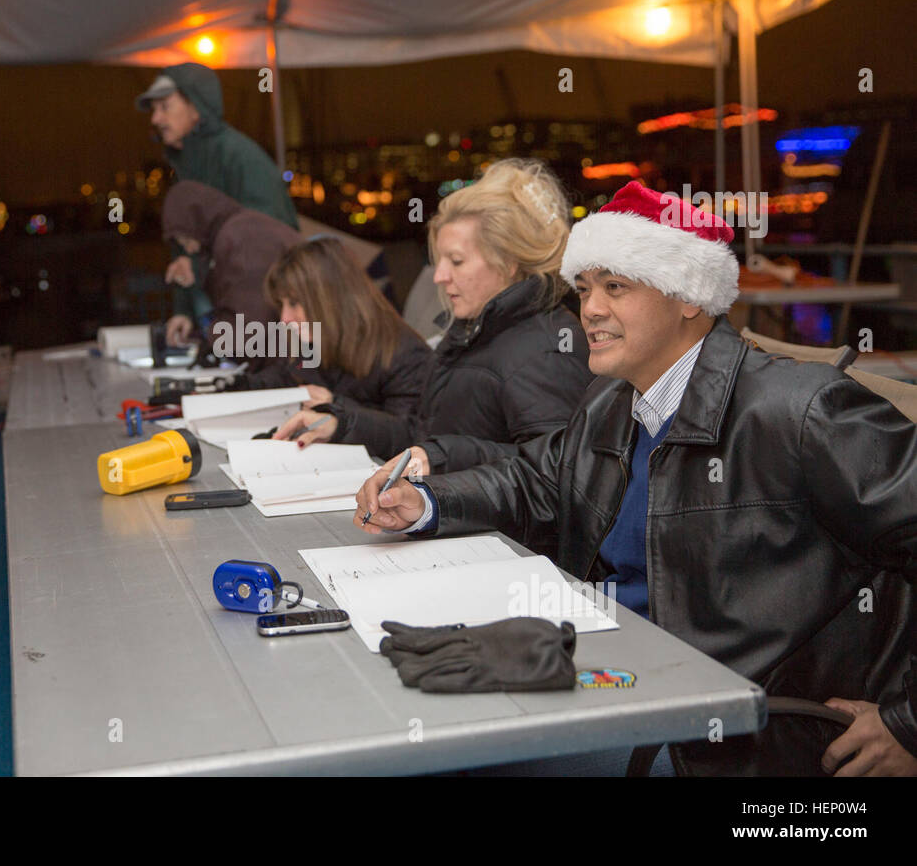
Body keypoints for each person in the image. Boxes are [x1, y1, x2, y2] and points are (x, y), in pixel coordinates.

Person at [355, 180, 917, 777]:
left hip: (720, 735)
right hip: (612, 677)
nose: (589, 309)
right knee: (401, 718)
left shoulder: (800, 411)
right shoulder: (614, 402)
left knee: (433, 755)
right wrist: (425, 502)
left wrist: (906, 725)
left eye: (616, 287)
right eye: (584, 289)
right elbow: (533, 480)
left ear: (688, 297)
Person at [275, 158, 592, 467]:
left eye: (455, 261)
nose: (439, 276)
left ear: (509, 262)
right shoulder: (474, 333)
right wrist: (341, 423)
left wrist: (441, 466)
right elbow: (424, 437)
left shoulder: (547, 353)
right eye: (440, 261)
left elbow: (553, 477)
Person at [136, 63, 298, 344]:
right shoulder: (186, 160)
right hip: (225, 306)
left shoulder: (240, 158)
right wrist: (183, 311)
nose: (156, 118)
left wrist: (198, 268)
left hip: (267, 311)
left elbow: (266, 241)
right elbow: (184, 246)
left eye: (165, 106)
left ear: (196, 107)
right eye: (154, 109)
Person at [231, 237, 432, 442]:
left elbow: (408, 436)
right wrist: (230, 386)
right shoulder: (313, 339)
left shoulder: (406, 355)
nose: (284, 319)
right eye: (281, 305)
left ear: (330, 298)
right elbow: (279, 378)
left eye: (294, 303)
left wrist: (336, 407)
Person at [160, 181, 298, 348]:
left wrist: (205, 338)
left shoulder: (240, 239)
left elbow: (251, 325)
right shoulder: (240, 229)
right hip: (292, 348)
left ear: (199, 221)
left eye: (188, 240)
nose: (189, 250)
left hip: (292, 351)